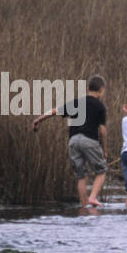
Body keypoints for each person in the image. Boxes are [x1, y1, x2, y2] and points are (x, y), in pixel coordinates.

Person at [31, 74, 108, 208]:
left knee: (81, 176)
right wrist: (105, 150)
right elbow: (102, 131)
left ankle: (84, 207)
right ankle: (93, 198)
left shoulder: (77, 102)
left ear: (87, 88)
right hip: (89, 140)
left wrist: (39, 119)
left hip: (73, 141)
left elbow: (55, 111)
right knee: (101, 171)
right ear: (101, 90)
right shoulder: (100, 106)